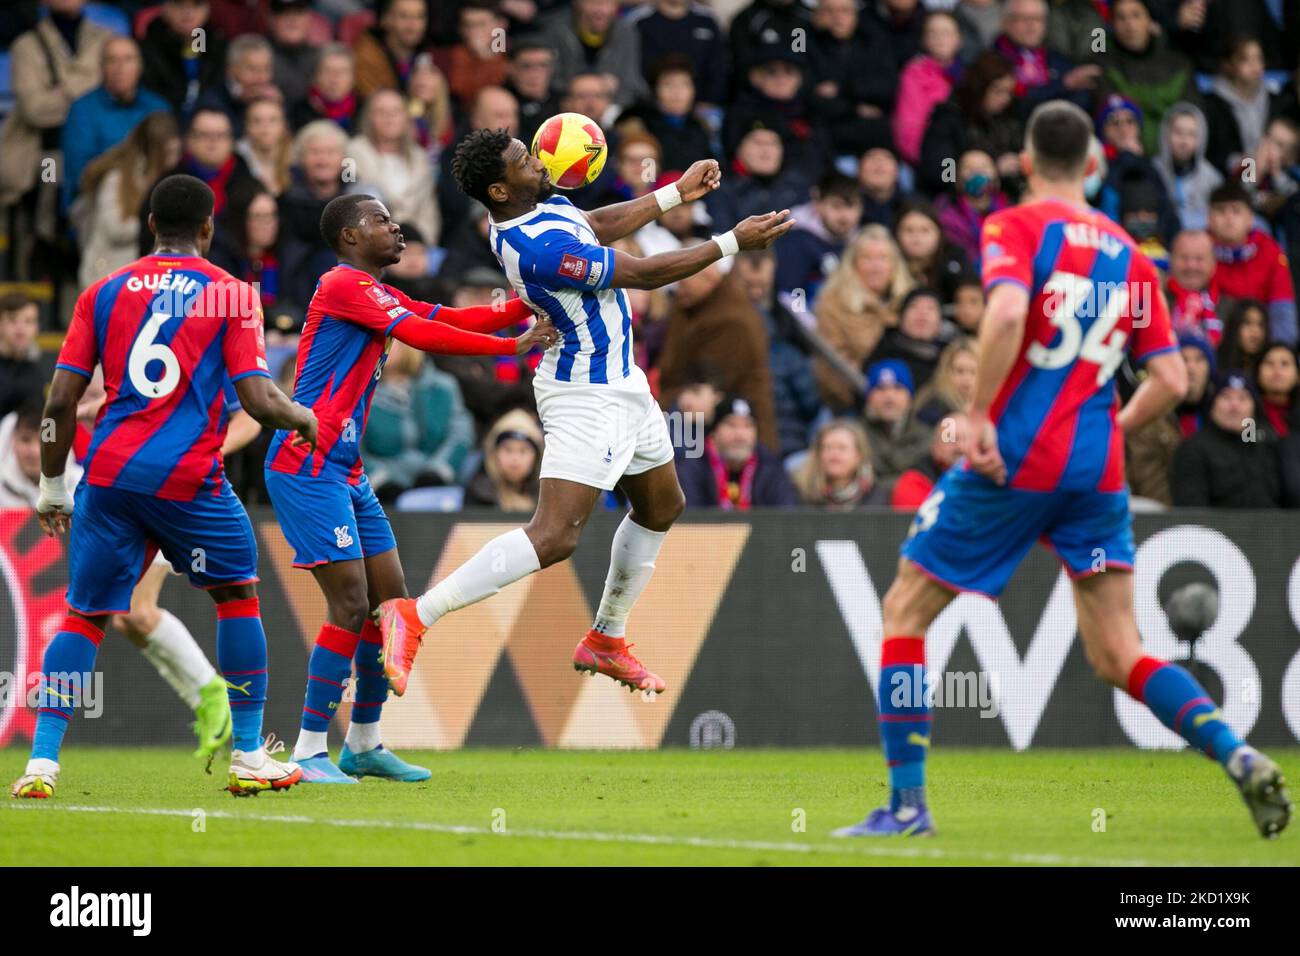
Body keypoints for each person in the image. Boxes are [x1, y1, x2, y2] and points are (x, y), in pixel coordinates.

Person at [832, 101, 1291, 840]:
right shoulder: (1130, 252)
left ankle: (908, 806)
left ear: (1023, 159)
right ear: (1091, 164)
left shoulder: (1015, 226)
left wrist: (978, 416)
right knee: (1119, 651)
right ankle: (1236, 754)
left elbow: (1008, 314)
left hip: (1015, 456)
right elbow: (1172, 378)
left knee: (905, 612)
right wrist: (1111, 422)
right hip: (1096, 470)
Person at [377, 130, 793, 698]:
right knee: (554, 537)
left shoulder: (544, 205)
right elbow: (643, 274)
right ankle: (416, 613)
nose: (539, 159)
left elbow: (594, 226)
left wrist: (675, 195)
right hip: (585, 394)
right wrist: (730, 244)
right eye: (525, 159)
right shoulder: (534, 247)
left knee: (662, 503)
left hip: (625, 383)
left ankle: (606, 638)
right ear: (499, 190)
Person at [12, 174, 319, 800]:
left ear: (149, 225)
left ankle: (41, 765)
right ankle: (249, 753)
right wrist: (303, 417)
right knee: (236, 596)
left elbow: (61, 400)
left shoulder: (102, 292)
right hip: (188, 479)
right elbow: (258, 399)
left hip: (109, 476)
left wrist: (50, 484)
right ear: (209, 229)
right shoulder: (232, 295)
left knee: (84, 615)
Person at [264, 192, 559, 783]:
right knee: (349, 604)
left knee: (391, 606)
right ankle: (307, 750)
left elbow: (442, 318)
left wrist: (518, 309)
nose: (396, 227)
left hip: (345, 468)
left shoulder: (373, 289)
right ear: (349, 237)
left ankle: (366, 745)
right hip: (305, 463)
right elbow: (424, 337)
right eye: (380, 220)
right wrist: (513, 345)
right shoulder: (342, 285)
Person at [655, 241, 781, 451]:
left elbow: (709, 387)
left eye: (684, 280)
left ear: (710, 274)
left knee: (688, 407)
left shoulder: (733, 319)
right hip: (683, 402)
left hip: (737, 424)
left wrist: (670, 401)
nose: (678, 287)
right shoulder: (688, 303)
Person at [60, 35, 170, 214]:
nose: (120, 68)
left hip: (151, 200)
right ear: (102, 68)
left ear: (140, 66)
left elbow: (168, 161)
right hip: (97, 201)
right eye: (112, 60)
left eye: (128, 59)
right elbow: (81, 173)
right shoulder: (82, 109)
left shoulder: (158, 106)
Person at [813, 225, 915, 412]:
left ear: (895, 265)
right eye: (867, 258)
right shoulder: (834, 303)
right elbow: (830, 365)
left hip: (914, 404)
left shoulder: (912, 301)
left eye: (883, 258)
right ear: (853, 264)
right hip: (853, 402)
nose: (876, 267)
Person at [78, 112, 181, 289]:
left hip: (140, 279)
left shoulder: (169, 178)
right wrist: (164, 225)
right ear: (155, 151)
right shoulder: (117, 178)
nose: (175, 159)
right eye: (169, 152)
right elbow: (116, 227)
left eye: (177, 151)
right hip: (107, 276)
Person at [1170, 370, 1282, 506]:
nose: (1234, 406)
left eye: (1243, 398)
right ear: (1212, 405)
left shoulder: (1267, 444)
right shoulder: (1193, 449)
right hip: (1215, 527)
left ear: (1254, 407)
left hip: (1271, 526)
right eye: (1226, 397)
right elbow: (1191, 510)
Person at [1207, 183, 1297, 346]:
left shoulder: (1270, 251)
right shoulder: (1197, 248)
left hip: (1259, 343)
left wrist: (1273, 354)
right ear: (1209, 218)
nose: (1229, 218)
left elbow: (1282, 313)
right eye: (1220, 210)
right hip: (1210, 342)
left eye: (1236, 211)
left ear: (1250, 219)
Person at [347, 89, 440, 247]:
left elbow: (428, 212)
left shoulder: (421, 158)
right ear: (369, 118)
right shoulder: (352, 153)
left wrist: (420, 245)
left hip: (414, 246)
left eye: (396, 111)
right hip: (371, 246)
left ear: (406, 118)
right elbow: (349, 197)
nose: (389, 118)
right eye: (381, 112)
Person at [675, 395, 798, 508]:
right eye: (731, 425)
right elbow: (690, 519)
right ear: (713, 433)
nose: (740, 435)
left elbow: (785, 516)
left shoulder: (770, 467)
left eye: (748, 426)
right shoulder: (692, 467)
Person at [892, 11, 965, 168]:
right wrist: (921, 160)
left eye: (946, 33)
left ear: (959, 39)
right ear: (924, 40)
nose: (940, 39)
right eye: (933, 33)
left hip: (964, 153)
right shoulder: (914, 73)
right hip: (933, 154)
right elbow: (908, 123)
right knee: (947, 179)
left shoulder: (969, 74)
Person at [860, 359, 932, 485]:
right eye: (881, 388)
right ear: (869, 397)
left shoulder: (927, 436)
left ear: (910, 397)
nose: (889, 396)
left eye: (898, 388)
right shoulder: (856, 436)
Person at [1153, 103, 1223, 232]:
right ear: (1165, 134)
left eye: (1192, 134)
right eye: (1178, 132)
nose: (1184, 141)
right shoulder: (1152, 170)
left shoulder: (1212, 178)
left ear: (1201, 139)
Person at [793, 419, 888, 509]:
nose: (834, 454)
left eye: (842, 448)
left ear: (860, 455)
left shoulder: (876, 495)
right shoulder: (801, 492)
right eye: (828, 447)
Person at [464, 408, 545, 510]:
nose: (515, 458)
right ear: (494, 454)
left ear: (537, 456)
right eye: (508, 450)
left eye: (523, 451)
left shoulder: (548, 497)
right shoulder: (478, 494)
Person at [890, 412, 970, 509]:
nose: (960, 446)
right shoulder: (915, 481)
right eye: (951, 439)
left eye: (967, 439)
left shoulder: (987, 476)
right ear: (935, 446)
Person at [1165, 229, 1222, 343]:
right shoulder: (1153, 300)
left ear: (1213, 264)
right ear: (1171, 261)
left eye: (1199, 259)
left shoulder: (1228, 307)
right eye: (1184, 258)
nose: (1191, 265)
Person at [912, 335, 977, 425]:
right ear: (947, 372)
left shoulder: (993, 407)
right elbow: (947, 439)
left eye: (974, 372)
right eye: (959, 371)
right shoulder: (933, 409)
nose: (966, 378)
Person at [0, 292, 45, 419]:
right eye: (12, 319)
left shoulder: (36, 374)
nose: (20, 328)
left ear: (37, 328)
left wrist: (50, 439)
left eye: (28, 321)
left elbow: (46, 421)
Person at [1257, 343, 1300, 436]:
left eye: (1285, 364)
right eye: (1269, 363)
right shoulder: (1246, 413)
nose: (1277, 370)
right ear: (1257, 373)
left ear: (1298, 376)